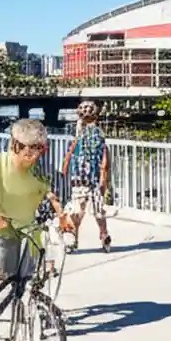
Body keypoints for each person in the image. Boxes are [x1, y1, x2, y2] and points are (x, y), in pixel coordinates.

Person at [0, 119, 66, 280]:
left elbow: (53, 197)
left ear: (42, 150)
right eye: (21, 146)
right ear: (13, 145)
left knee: (27, 275)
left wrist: (63, 217)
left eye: (35, 148)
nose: (27, 153)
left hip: (27, 228)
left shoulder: (40, 171)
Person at [60, 100, 111, 252]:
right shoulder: (85, 132)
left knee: (89, 208)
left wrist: (104, 175)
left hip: (87, 175)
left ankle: (81, 237)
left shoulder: (94, 133)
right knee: (88, 208)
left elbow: (103, 155)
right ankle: (101, 235)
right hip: (83, 175)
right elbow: (75, 149)